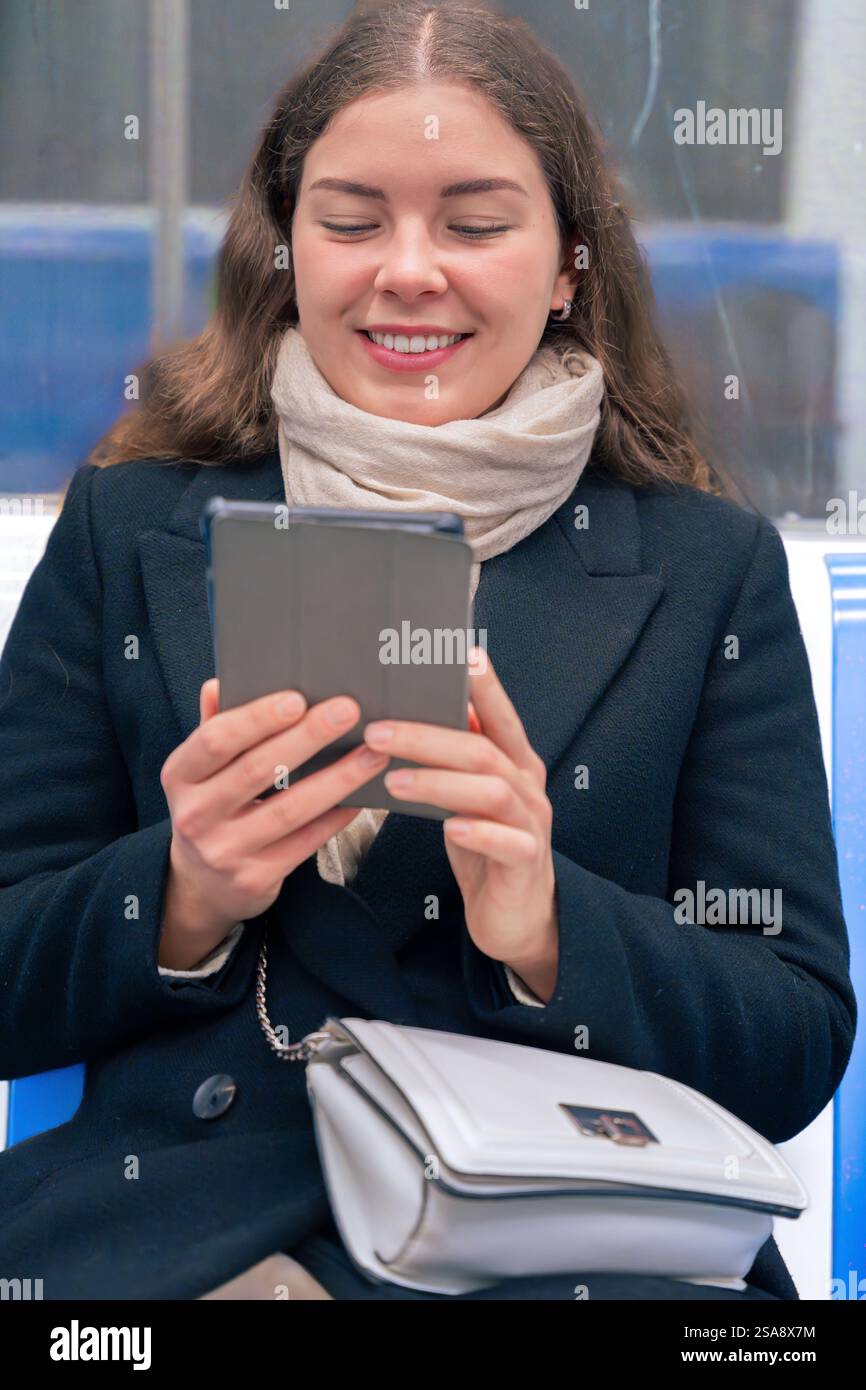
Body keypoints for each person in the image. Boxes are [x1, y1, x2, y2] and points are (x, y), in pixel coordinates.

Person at [0, 0, 855, 1301]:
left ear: (569, 261)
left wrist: (550, 927)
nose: (408, 269)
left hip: (574, 1240)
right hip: (185, 1238)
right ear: (286, 245)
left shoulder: (702, 567)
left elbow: (790, 1040)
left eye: (474, 223)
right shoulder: (129, 525)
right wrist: (177, 893)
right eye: (349, 221)